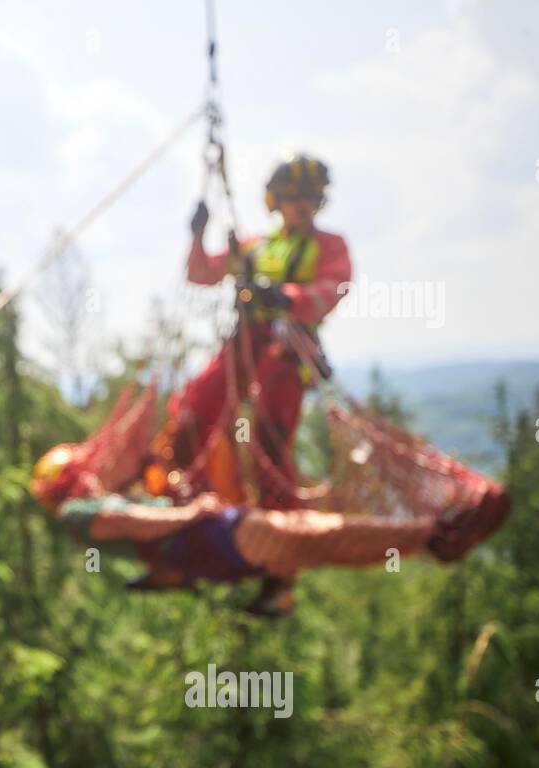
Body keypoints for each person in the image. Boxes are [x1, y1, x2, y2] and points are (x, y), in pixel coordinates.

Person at [158, 154, 352, 613]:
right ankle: (175, 529)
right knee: (192, 415)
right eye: (292, 196)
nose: (301, 205)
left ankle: (280, 570)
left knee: (268, 438)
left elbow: (332, 290)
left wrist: (284, 296)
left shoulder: (329, 245)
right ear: (277, 201)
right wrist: (196, 235)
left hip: (286, 348)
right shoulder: (253, 246)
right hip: (244, 341)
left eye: (308, 197)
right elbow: (201, 273)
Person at [32, 444, 510, 606]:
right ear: (69, 481)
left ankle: (432, 540)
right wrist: (191, 512)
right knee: (315, 534)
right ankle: (434, 532)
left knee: (315, 545)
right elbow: (126, 521)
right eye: (83, 468)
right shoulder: (79, 513)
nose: (94, 469)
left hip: (214, 551)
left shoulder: (78, 519)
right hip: (211, 534)